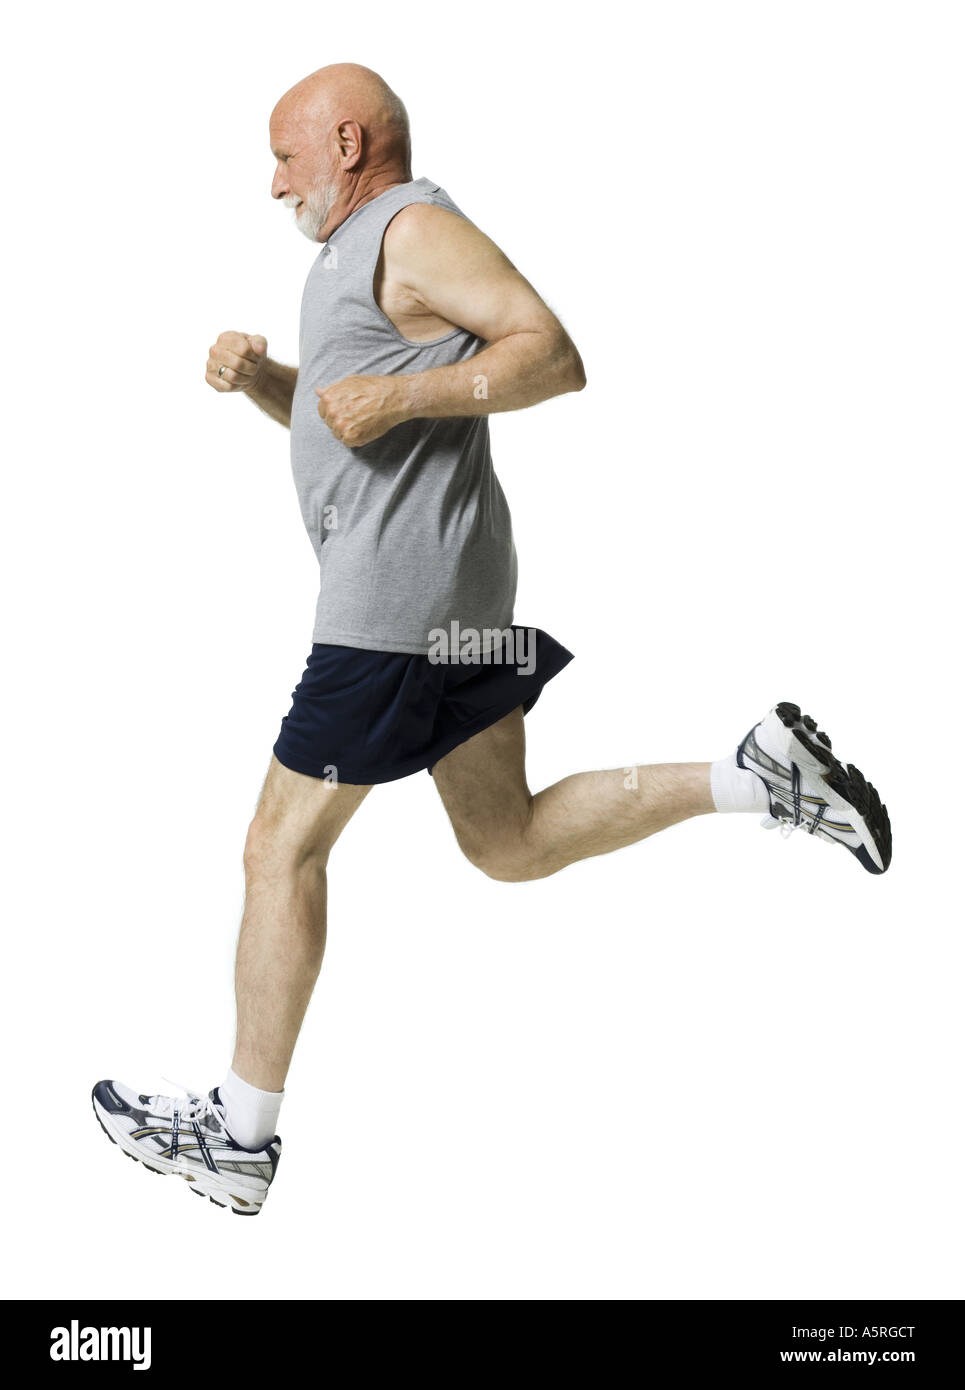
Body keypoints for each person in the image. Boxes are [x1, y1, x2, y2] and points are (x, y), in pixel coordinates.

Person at [92, 63, 891, 1216]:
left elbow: (551, 353)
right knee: (505, 840)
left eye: (285, 156)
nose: (273, 183)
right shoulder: (356, 257)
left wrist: (402, 401)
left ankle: (238, 1133)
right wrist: (267, 378)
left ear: (349, 141)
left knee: (279, 848)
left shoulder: (409, 229)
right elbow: (351, 413)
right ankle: (755, 775)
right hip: (452, 588)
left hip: (393, 604)